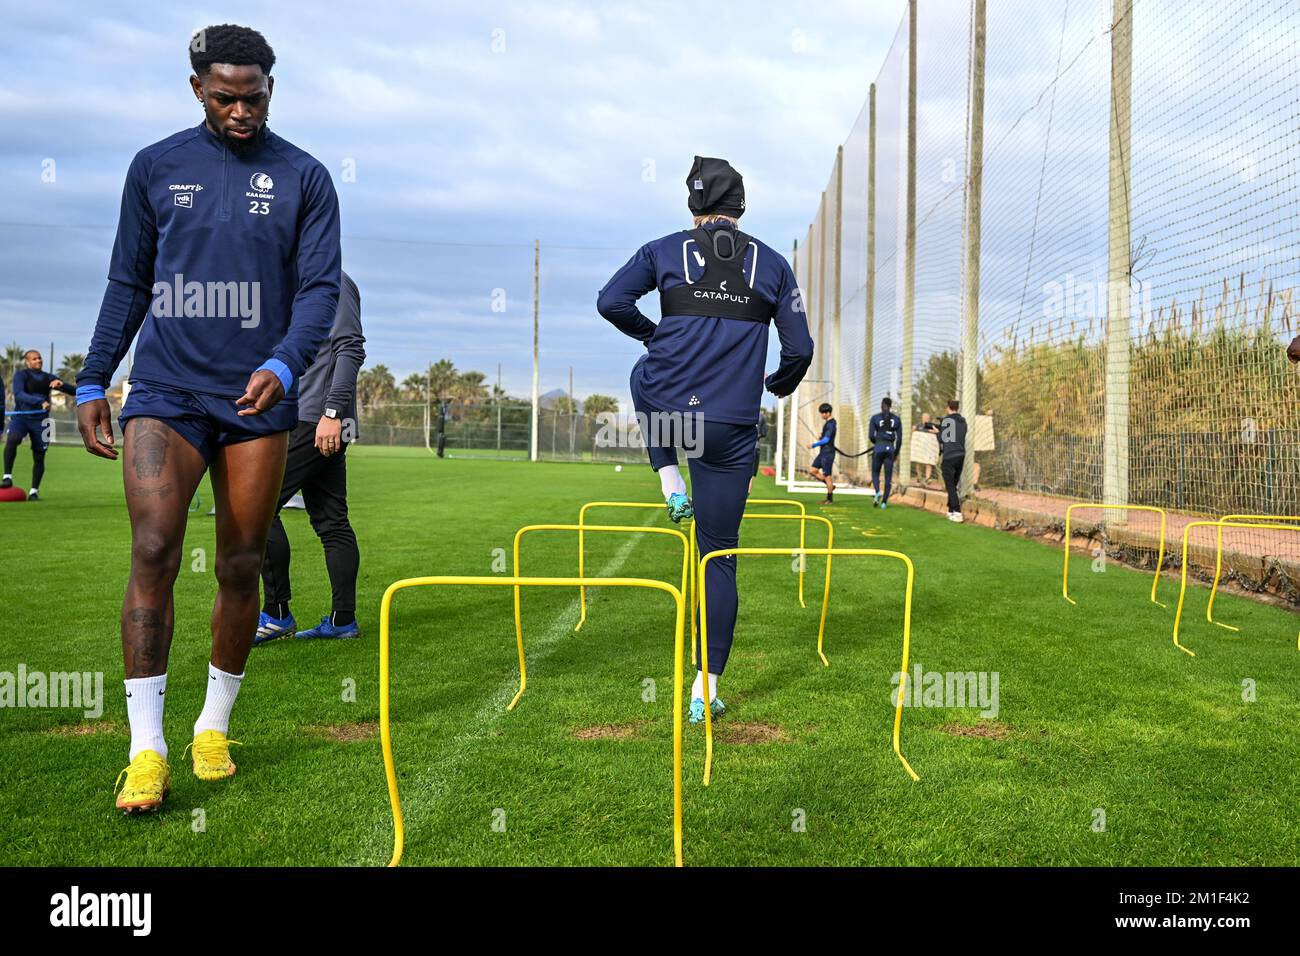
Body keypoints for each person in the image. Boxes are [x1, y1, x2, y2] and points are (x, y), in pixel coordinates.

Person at [75, 23, 341, 814]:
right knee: (155, 547)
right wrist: (92, 378)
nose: (241, 111)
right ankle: (146, 749)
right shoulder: (155, 167)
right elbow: (128, 281)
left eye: (254, 97)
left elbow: (321, 289)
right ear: (197, 88)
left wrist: (285, 363)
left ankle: (213, 727)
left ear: (270, 89)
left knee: (239, 562)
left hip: (258, 398)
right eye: (225, 98)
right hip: (166, 390)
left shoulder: (305, 177)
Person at [597, 155, 813, 724]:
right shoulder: (774, 264)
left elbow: (610, 301)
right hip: (732, 430)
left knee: (642, 375)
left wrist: (656, 337)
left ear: (693, 205)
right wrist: (776, 383)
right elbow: (801, 349)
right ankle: (704, 688)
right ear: (740, 206)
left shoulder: (662, 250)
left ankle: (668, 478)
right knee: (718, 556)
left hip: (671, 414)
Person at [254, 271, 365, 646]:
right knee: (332, 521)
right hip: (308, 417)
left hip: (317, 418)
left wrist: (332, 412)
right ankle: (342, 620)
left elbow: (350, 348)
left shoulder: (335, 280)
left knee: (257, 506)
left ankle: (277, 614)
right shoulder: (290, 279)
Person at [3, 350, 74, 499]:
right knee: (13, 439)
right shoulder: (21, 375)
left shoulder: (48, 377)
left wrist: (62, 385)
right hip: (21, 418)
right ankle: (7, 477)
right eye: (34, 359)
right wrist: (40, 401)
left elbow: (74, 391)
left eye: (39, 358)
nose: (38, 361)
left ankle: (34, 491)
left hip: (42, 421)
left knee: (39, 456)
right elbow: (19, 395)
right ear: (27, 362)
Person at [868, 396, 901, 508]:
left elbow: (871, 435)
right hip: (890, 448)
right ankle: (884, 503)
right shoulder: (896, 419)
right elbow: (899, 439)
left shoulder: (875, 418)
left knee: (875, 473)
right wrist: (896, 452)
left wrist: (877, 443)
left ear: (881, 406)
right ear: (890, 406)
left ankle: (877, 492)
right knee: (888, 477)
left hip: (878, 447)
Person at [938, 400, 968, 522]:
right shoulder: (963, 421)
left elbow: (943, 439)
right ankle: (951, 511)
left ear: (948, 407)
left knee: (950, 485)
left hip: (949, 456)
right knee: (953, 484)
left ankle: (958, 511)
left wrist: (937, 433)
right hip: (960, 455)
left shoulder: (947, 420)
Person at [809, 403, 836, 503]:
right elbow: (825, 438)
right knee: (813, 470)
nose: (821, 415)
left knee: (827, 475)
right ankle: (830, 486)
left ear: (828, 413)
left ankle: (829, 499)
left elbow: (826, 440)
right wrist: (821, 436)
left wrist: (814, 445)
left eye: (823, 413)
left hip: (828, 453)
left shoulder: (831, 424)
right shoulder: (827, 423)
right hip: (823, 452)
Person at [913, 411, 940, 486]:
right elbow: (914, 433)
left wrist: (934, 432)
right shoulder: (918, 426)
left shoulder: (932, 426)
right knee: (919, 462)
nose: (926, 419)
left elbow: (937, 433)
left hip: (929, 447)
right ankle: (919, 477)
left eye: (928, 418)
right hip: (920, 447)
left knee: (929, 463)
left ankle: (928, 479)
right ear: (922, 418)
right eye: (925, 418)